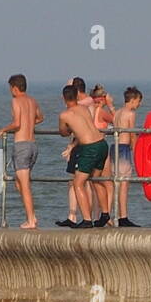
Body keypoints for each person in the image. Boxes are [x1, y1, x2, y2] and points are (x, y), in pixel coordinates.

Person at [0, 74, 44, 229]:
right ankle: (32, 216)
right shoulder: (33, 101)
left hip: (22, 145)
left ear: (15, 88)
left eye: (10, 88)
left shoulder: (16, 101)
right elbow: (40, 118)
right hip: (33, 145)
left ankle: (31, 219)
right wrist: (29, 122)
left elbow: (16, 124)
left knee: (24, 185)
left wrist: (4, 129)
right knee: (19, 183)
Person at [57, 84, 107, 228]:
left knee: (78, 183)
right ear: (77, 96)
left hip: (90, 147)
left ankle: (86, 219)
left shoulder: (64, 115)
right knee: (96, 180)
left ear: (64, 98)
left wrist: (68, 128)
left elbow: (63, 132)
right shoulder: (84, 109)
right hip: (102, 144)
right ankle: (105, 213)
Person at [113, 87, 143, 226]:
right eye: (138, 101)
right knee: (124, 184)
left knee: (115, 183)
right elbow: (132, 134)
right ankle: (123, 217)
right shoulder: (130, 114)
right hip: (124, 148)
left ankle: (115, 214)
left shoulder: (117, 113)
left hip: (114, 148)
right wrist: (136, 150)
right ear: (132, 100)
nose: (139, 105)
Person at [89, 85, 116, 225]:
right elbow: (117, 120)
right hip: (100, 146)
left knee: (95, 182)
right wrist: (111, 106)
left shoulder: (90, 110)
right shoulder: (101, 111)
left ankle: (96, 214)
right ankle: (107, 215)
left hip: (90, 147)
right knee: (107, 183)